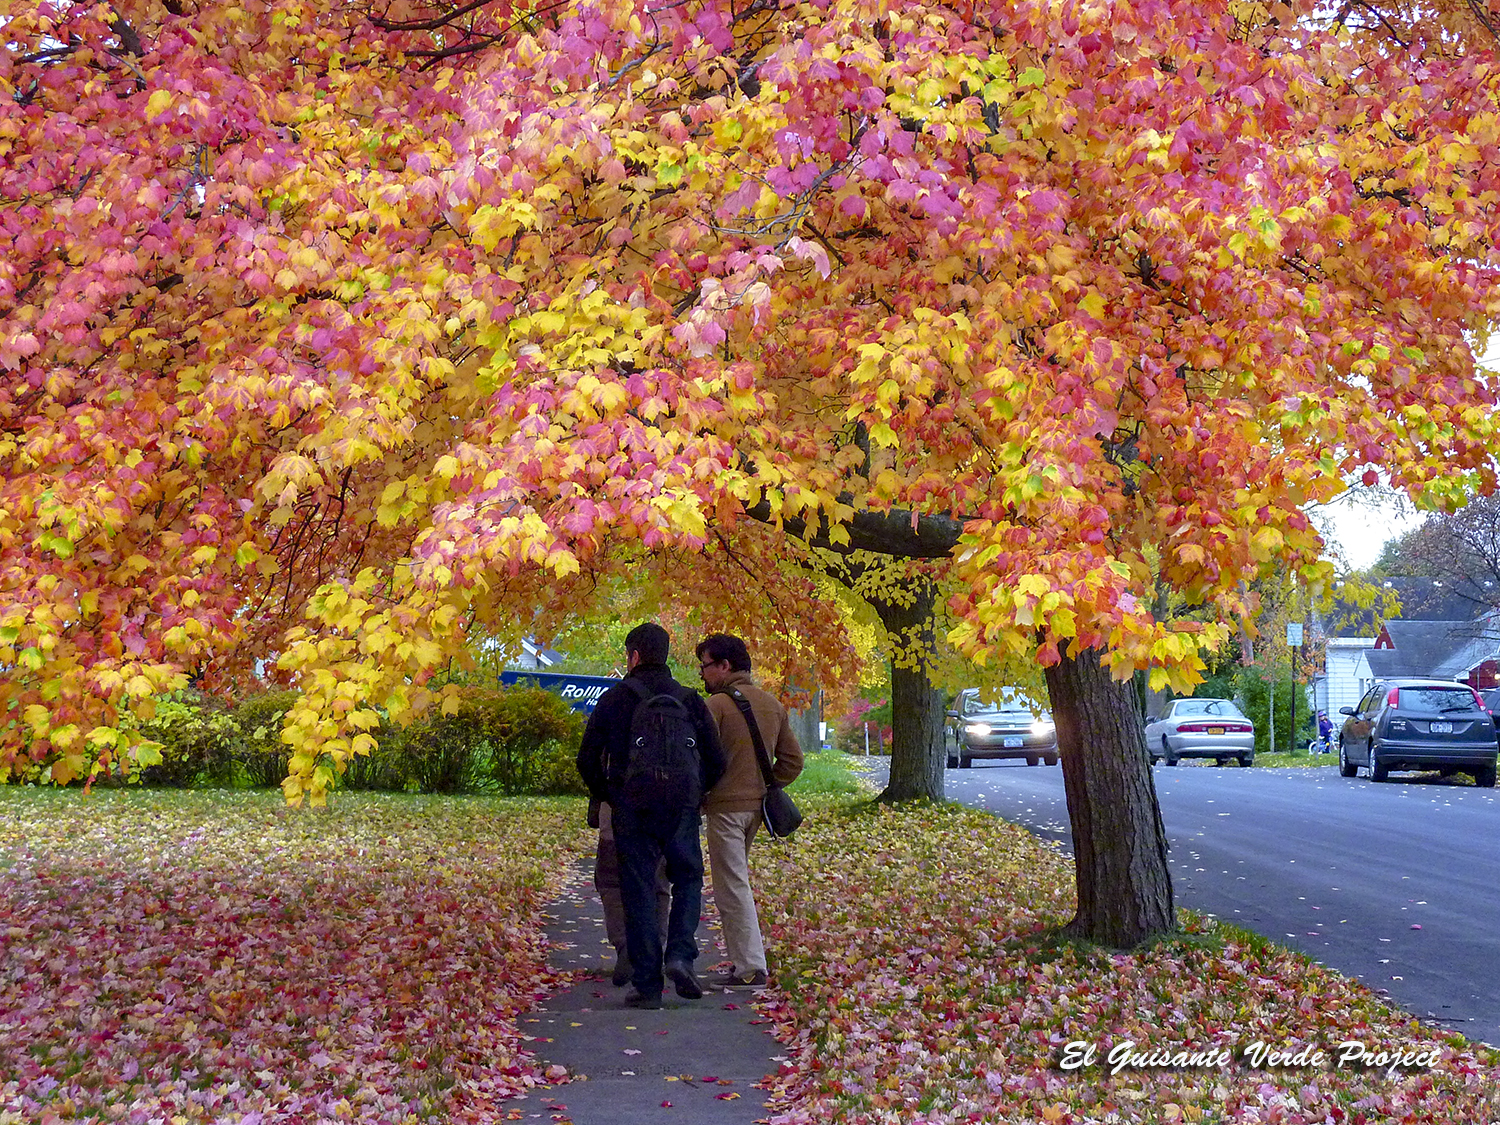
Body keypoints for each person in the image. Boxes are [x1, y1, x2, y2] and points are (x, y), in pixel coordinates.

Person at [577, 623, 726, 1009]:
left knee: (639, 888)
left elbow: (586, 758)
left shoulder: (615, 700)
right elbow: (717, 759)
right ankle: (680, 954)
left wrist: (609, 794)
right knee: (688, 878)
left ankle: (647, 985)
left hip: (632, 806)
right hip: (680, 806)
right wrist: (695, 792)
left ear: (634, 656)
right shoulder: (690, 699)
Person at [696, 633, 804, 988]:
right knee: (736, 880)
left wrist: (705, 794)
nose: (702, 674)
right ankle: (747, 961)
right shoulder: (772, 704)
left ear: (725, 666)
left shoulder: (716, 708)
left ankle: (750, 967)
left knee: (731, 886)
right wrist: (766, 785)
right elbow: (792, 761)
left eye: (706, 665)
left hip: (724, 808)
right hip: (757, 809)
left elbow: (700, 760)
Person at [590, 796, 670, 986]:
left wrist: (601, 789)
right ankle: (654, 947)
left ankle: (625, 943)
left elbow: (588, 765)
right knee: (658, 884)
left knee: (612, 884)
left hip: (616, 804)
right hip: (664, 805)